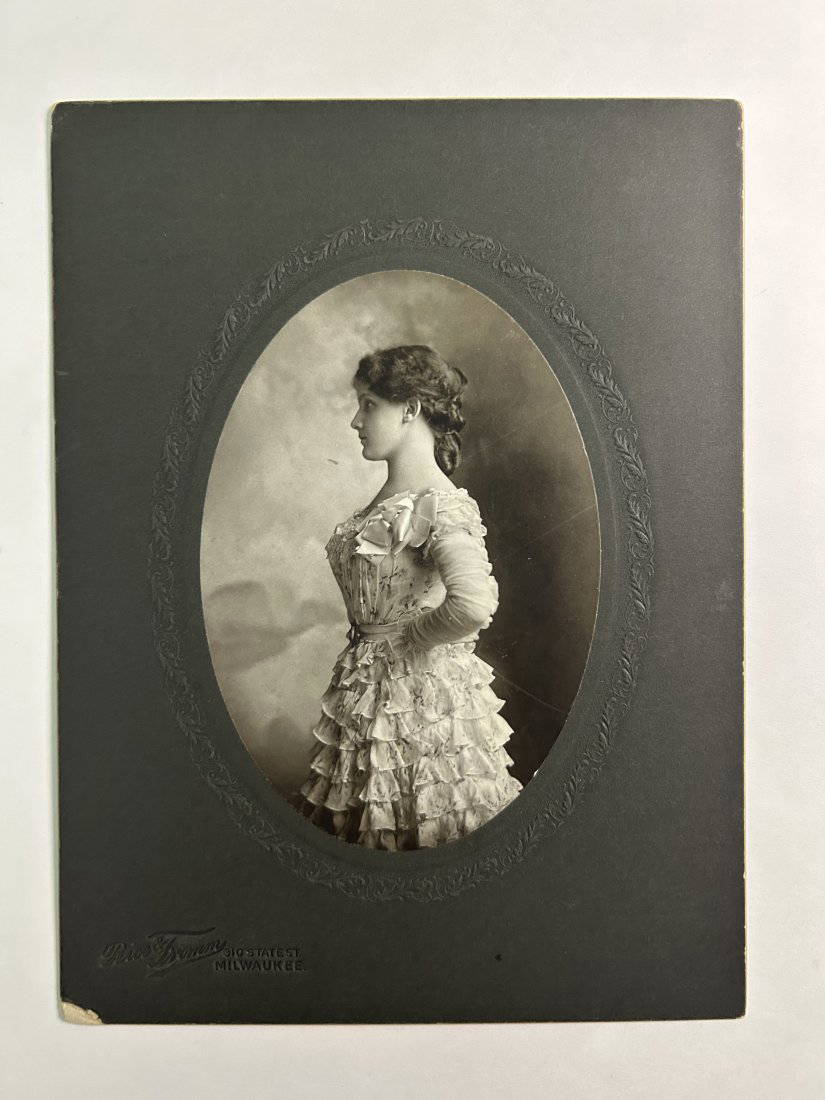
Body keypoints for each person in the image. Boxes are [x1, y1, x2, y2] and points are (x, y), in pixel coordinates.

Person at [293, 344, 522, 849]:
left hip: (419, 699)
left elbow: (472, 603)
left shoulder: (438, 504)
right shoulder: (389, 500)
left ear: (410, 409)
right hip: (363, 694)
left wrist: (412, 637)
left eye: (369, 405)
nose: (356, 421)